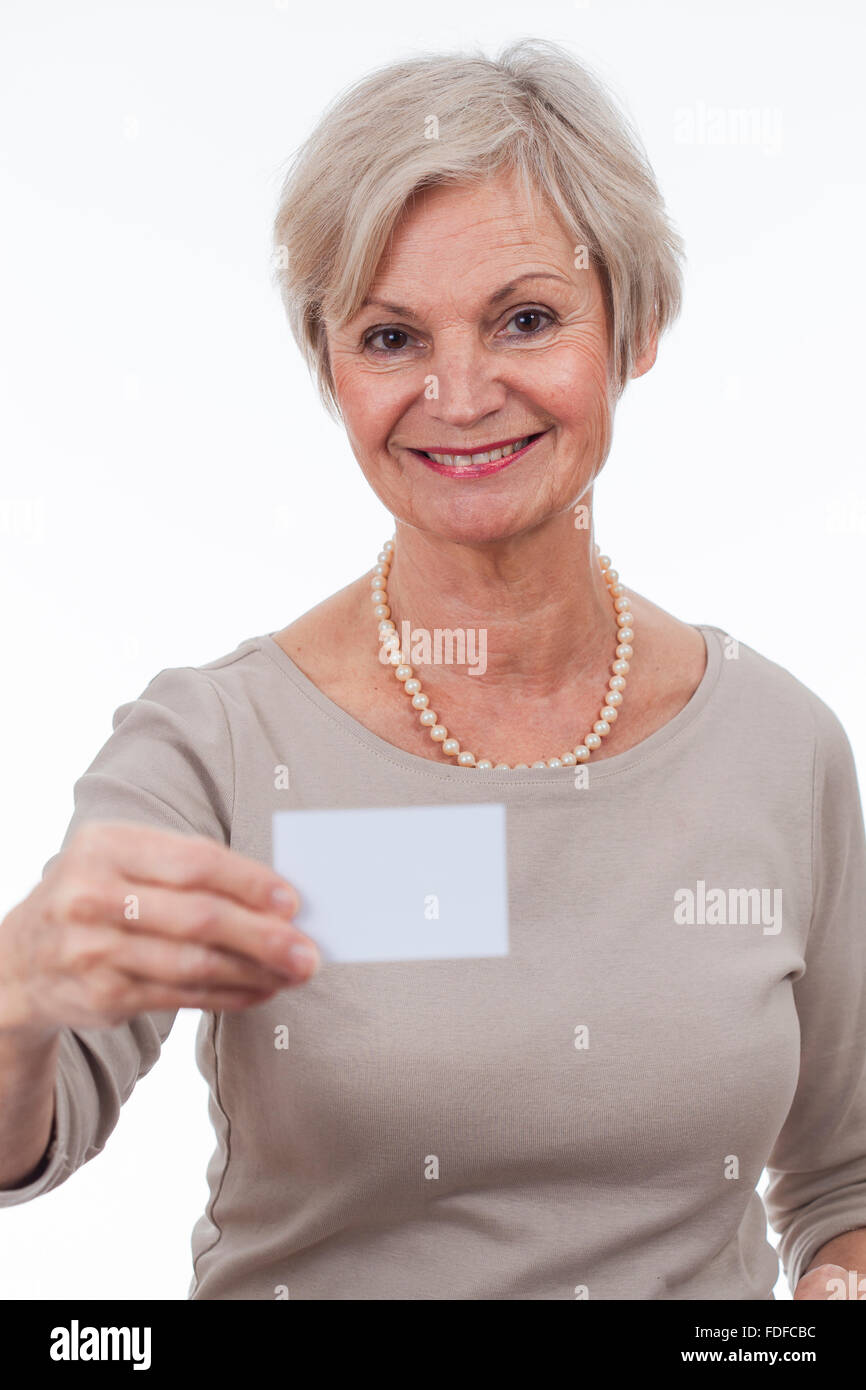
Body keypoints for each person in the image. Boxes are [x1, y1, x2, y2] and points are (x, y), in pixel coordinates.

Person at [1, 38, 864, 1301]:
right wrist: (17, 988)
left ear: (635, 327)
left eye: (524, 318)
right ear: (330, 369)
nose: (460, 394)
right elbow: (29, 1141)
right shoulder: (219, 746)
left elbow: (843, 1180)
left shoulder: (777, 745)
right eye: (391, 336)